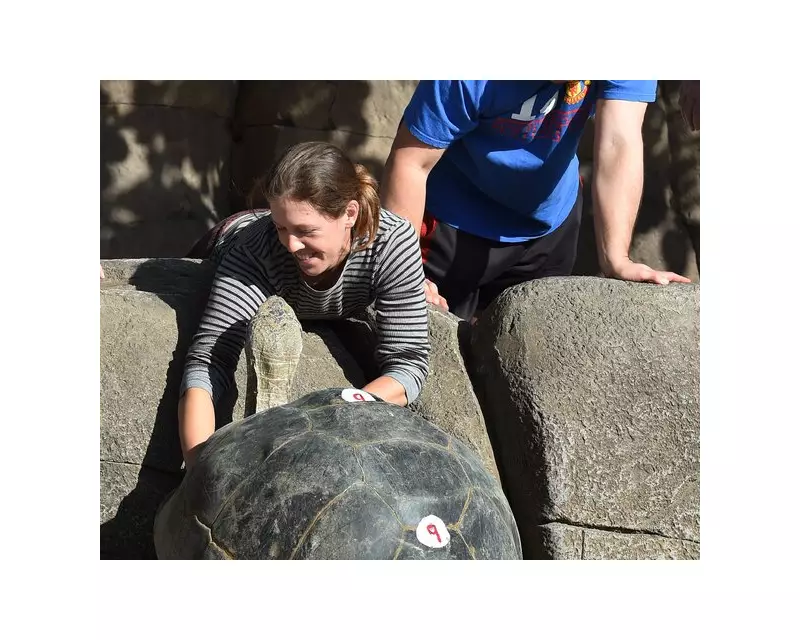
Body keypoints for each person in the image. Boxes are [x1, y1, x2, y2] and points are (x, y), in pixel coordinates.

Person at [179, 142, 430, 469]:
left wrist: (339, 416)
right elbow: (210, 360)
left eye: (305, 231)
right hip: (227, 239)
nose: (291, 244)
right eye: (281, 227)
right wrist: (199, 469)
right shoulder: (257, 249)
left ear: (349, 214)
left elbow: (409, 362)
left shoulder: (392, 243)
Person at [381, 80, 692, 320]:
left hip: (548, 226)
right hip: (450, 224)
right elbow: (410, 163)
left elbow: (619, 141)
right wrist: (404, 272)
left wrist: (617, 259)